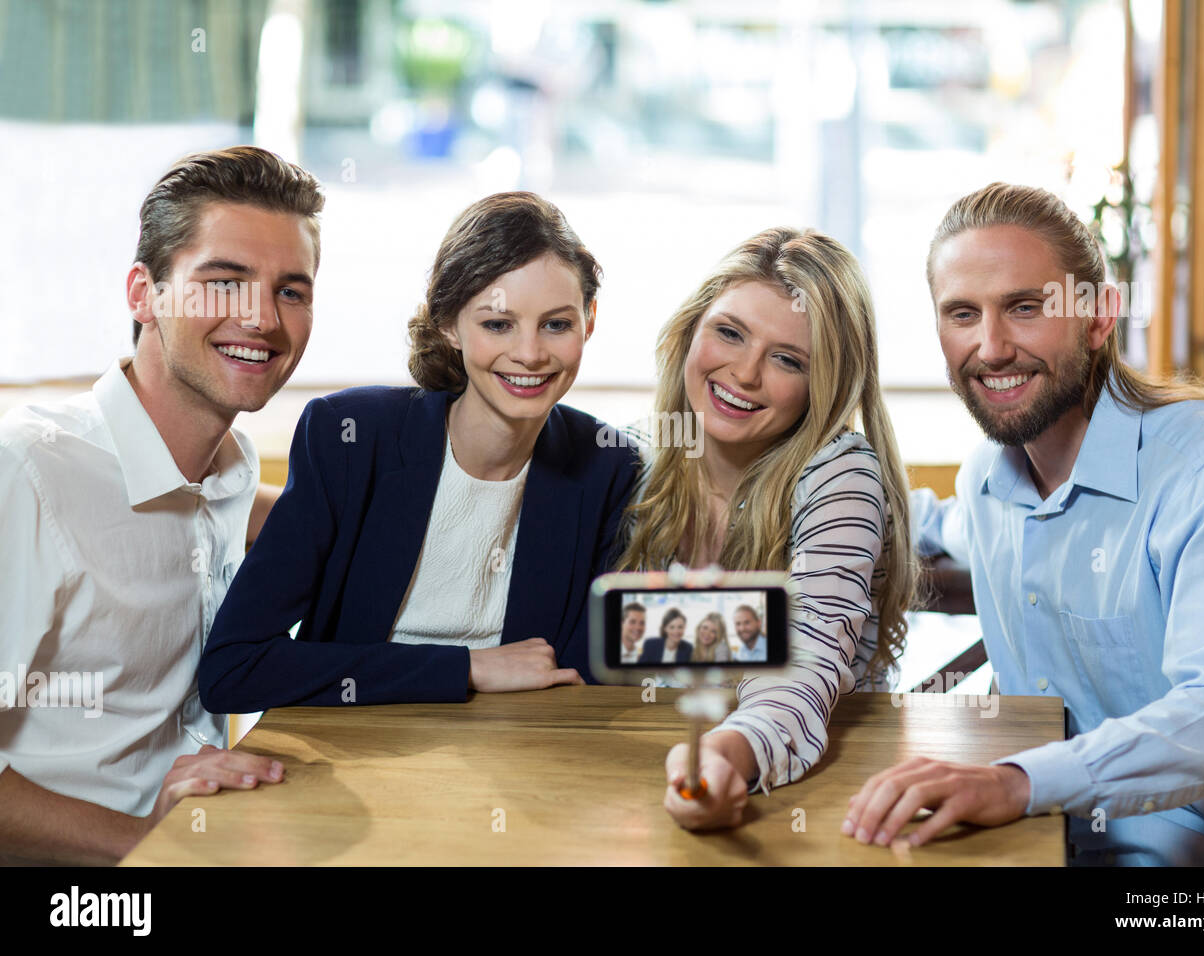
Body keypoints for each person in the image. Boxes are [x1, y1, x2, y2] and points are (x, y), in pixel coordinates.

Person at [842, 182, 1204, 866]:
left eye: (1024, 308)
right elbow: (937, 525)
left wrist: (1015, 782)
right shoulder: (988, 484)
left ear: (1099, 316)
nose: (991, 347)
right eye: (962, 314)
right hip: (1052, 841)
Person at [0, 146, 321, 863]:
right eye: (225, 282)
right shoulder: (27, 472)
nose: (264, 319)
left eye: (291, 291)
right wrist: (150, 845)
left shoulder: (232, 483)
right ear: (144, 294)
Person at [199, 192, 640, 711]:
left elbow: (575, 682)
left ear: (589, 320)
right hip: (352, 756)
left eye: (556, 324)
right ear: (449, 325)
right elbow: (234, 669)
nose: (530, 353)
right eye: (498, 324)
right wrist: (466, 668)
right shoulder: (350, 436)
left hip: (520, 761)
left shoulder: (608, 466)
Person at [617, 227, 917, 830]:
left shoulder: (839, 476)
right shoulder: (637, 458)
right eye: (729, 332)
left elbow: (801, 663)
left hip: (809, 792)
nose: (744, 373)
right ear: (690, 331)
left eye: (787, 360)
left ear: (824, 384)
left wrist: (725, 758)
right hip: (633, 769)